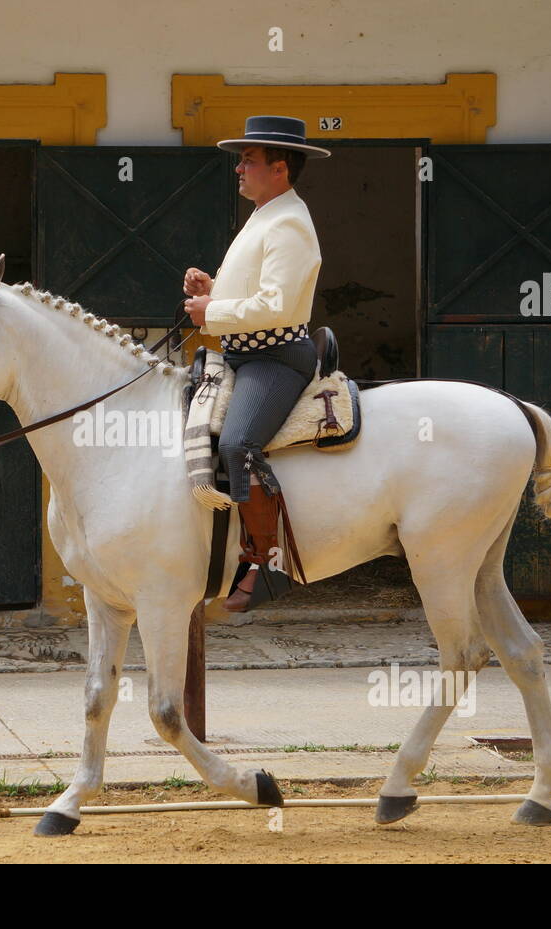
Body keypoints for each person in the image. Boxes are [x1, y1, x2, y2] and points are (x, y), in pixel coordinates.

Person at [183, 116, 330, 612]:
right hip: (245, 353)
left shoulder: (289, 222)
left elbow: (277, 306)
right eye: (241, 159)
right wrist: (213, 294)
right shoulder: (268, 213)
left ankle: (269, 568)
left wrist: (212, 313)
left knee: (239, 443)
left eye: (249, 160)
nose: (239, 168)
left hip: (275, 358)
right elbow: (258, 293)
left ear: (280, 168)